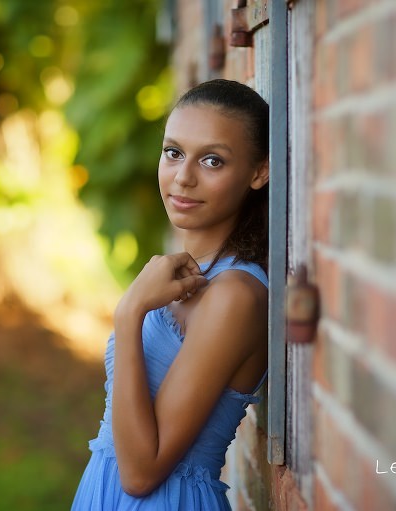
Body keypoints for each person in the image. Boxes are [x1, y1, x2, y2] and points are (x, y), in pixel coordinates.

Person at [71, 79, 270, 510]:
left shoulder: (234, 295)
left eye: (212, 161)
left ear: (259, 172)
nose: (183, 177)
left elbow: (142, 473)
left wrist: (129, 312)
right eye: (173, 153)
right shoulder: (190, 275)